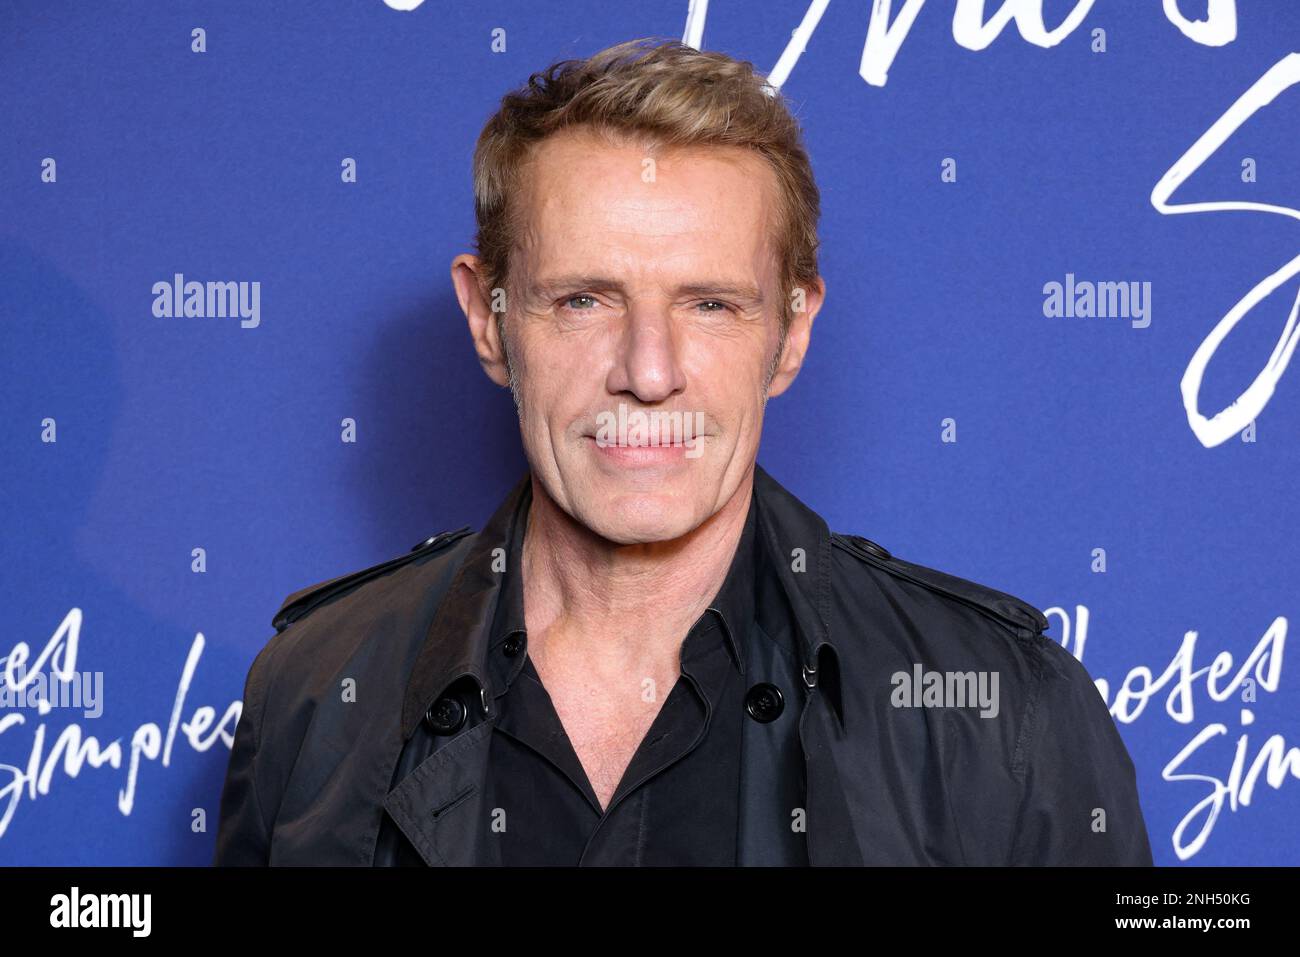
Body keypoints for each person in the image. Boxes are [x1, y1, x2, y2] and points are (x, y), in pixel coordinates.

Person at [212, 36, 1153, 866]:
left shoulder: (1005, 715)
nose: (648, 372)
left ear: (790, 334)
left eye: (710, 304)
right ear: (489, 320)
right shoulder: (314, 692)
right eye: (584, 299)